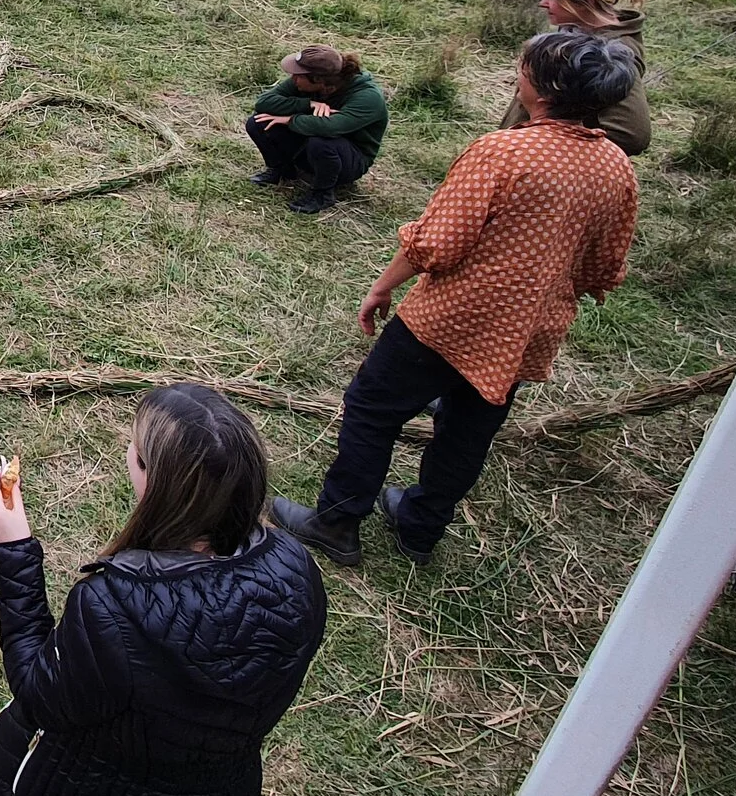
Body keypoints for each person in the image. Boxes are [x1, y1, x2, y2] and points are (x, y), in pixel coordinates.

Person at [271, 31, 640, 568]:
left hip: (451, 318)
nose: (519, 73)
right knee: (468, 431)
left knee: (373, 408)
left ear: (541, 87)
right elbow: (605, 266)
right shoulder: (616, 167)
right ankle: (420, 529)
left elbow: (435, 243)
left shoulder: (504, 150)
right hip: (528, 332)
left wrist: (383, 285)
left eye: (525, 67)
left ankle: (338, 521)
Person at [0, 385, 327, 796]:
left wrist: (13, 549)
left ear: (154, 478)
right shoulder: (297, 568)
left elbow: (37, 693)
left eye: (134, 451)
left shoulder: (114, 609)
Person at [501, 0, 651, 156]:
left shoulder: (612, 54)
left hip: (543, 167)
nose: (543, 3)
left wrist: (559, 152)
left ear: (587, 2)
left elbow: (632, 136)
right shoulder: (578, 30)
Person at [246, 45, 388, 214]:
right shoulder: (305, 82)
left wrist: (291, 119)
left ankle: (323, 194)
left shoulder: (368, 97)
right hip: (310, 147)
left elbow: (330, 127)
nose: (292, 79)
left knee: (321, 141)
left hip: (349, 159)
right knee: (258, 122)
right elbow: (264, 102)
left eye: (298, 76)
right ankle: (282, 170)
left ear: (319, 80)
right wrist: (307, 104)